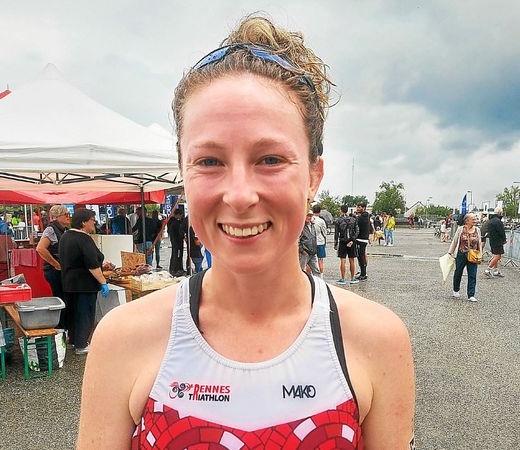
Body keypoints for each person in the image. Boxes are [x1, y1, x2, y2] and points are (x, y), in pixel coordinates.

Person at [78, 15, 414, 449]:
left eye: (270, 159)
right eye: (210, 161)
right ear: (183, 173)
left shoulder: (375, 339)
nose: (238, 195)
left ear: (314, 176)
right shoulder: (124, 338)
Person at [59, 209, 109, 355]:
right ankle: (81, 344)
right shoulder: (84, 238)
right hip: (84, 284)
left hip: (69, 282)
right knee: (84, 313)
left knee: (73, 312)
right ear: (83, 222)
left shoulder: (66, 236)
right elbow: (91, 264)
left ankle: (73, 340)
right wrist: (103, 281)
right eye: (92, 219)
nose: (94, 222)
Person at [36, 205, 71, 329]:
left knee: (64, 297)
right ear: (57, 217)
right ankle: (60, 328)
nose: (69, 217)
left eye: (68, 214)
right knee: (61, 298)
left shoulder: (64, 229)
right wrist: (56, 264)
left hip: (60, 270)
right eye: (65, 214)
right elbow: (40, 248)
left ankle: (64, 327)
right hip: (54, 271)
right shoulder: (51, 229)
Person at [448, 212, 481, 302]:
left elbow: (479, 242)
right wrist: (450, 252)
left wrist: (480, 254)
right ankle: (456, 290)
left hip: (473, 255)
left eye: (475, 219)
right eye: (473, 219)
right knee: (458, 272)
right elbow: (455, 241)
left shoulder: (477, 230)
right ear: (467, 221)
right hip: (461, 254)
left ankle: (471, 295)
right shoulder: (460, 229)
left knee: (472, 275)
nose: (475, 221)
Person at [334, 205, 359, 285]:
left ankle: (342, 278)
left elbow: (336, 233)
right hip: (351, 241)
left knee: (342, 260)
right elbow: (357, 231)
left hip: (342, 241)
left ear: (341, 210)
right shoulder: (353, 219)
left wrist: (336, 243)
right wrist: (352, 240)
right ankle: (352, 278)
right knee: (352, 260)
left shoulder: (338, 220)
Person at [484, 207, 506, 278]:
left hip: (492, 240)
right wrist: (504, 239)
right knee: (498, 256)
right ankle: (488, 270)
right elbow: (501, 231)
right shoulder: (498, 221)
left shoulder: (490, 220)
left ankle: (495, 271)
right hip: (497, 241)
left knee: (495, 255)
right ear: (500, 213)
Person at [299, 210, 321, 277]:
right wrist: (302, 250)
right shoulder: (301, 226)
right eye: (308, 215)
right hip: (304, 253)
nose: (309, 217)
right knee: (301, 270)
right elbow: (297, 240)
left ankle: (319, 285)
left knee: (316, 271)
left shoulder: (312, 225)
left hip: (312, 252)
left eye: (310, 216)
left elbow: (314, 238)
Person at [355, 202, 372, 281]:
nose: (357, 208)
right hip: (364, 239)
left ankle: (363, 274)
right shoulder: (366, 216)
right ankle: (363, 273)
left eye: (359, 207)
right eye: (357, 207)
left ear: (364, 208)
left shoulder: (362, 217)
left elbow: (357, 227)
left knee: (361, 257)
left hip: (361, 239)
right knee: (361, 256)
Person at [167, 207, 185, 276]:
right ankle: (175, 269)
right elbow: (179, 233)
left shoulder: (171, 222)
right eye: (180, 215)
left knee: (174, 255)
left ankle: (173, 269)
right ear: (178, 215)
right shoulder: (176, 223)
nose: (180, 217)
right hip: (177, 242)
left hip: (174, 241)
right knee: (177, 256)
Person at [311, 204, 327, 275]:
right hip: (320, 242)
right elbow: (324, 232)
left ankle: (309, 277)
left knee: (309, 261)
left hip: (311, 242)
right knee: (320, 260)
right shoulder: (321, 221)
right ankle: (321, 277)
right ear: (320, 211)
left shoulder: (309, 219)